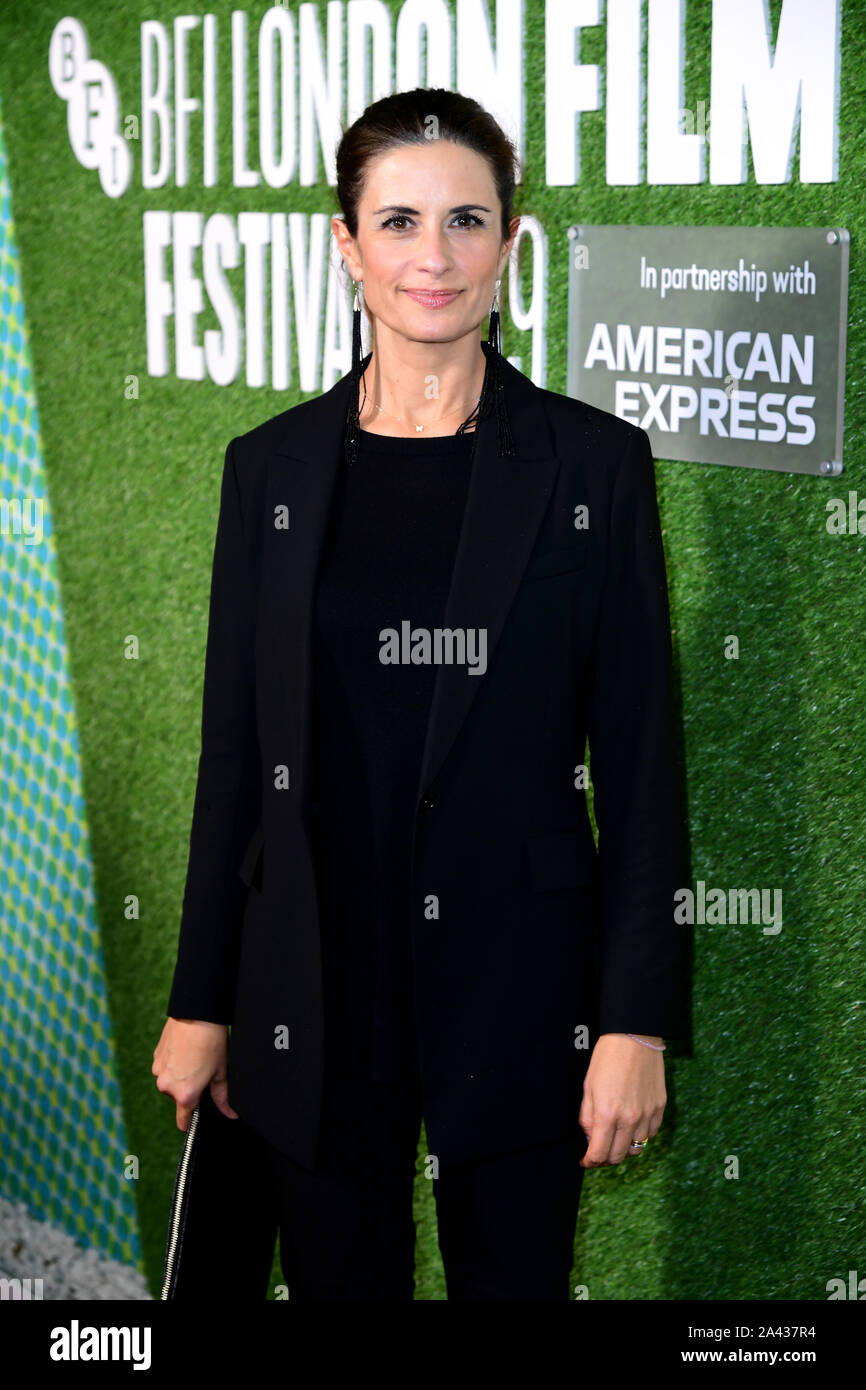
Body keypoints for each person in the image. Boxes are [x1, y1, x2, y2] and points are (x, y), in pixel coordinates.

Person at [153, 87, 689, 1301]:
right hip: (310, 987)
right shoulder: (268, 467)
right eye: (396, 222)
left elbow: (642, 758)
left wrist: (632, 1022)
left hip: (519, 986)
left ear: (511, 241)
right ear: (346, 245)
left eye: (465, 220)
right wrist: (204, 1000)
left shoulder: (589, 463)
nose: (431, 258)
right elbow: (232, 758)